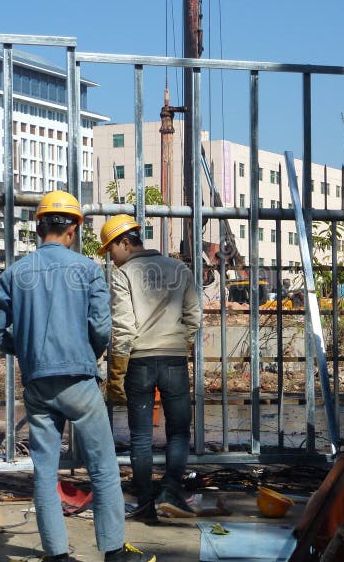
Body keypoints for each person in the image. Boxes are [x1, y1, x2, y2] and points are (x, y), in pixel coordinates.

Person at [0, 193, 153, 562]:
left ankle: (57, 556)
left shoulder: (14, 273)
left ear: (38, 226)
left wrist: (28, 349)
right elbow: (101, 327)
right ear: (74, 229)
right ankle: (113, 552)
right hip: (78, 379)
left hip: (37, 383)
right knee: (103, 467)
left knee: (45, 472)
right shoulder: (88, 270)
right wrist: (86, 354)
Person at [99, 214, 201, 520]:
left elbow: (123, 325)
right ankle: (171, 490)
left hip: (139, 361)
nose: (110, 257)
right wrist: (180, 344)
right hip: (174, 360)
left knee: (141, 436)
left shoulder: (124, 274)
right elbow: (194, 316)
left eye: (111, 250)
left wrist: (117, 370)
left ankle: (145, 503)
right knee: (179, 431)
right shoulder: (178, 268)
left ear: (125, 243)